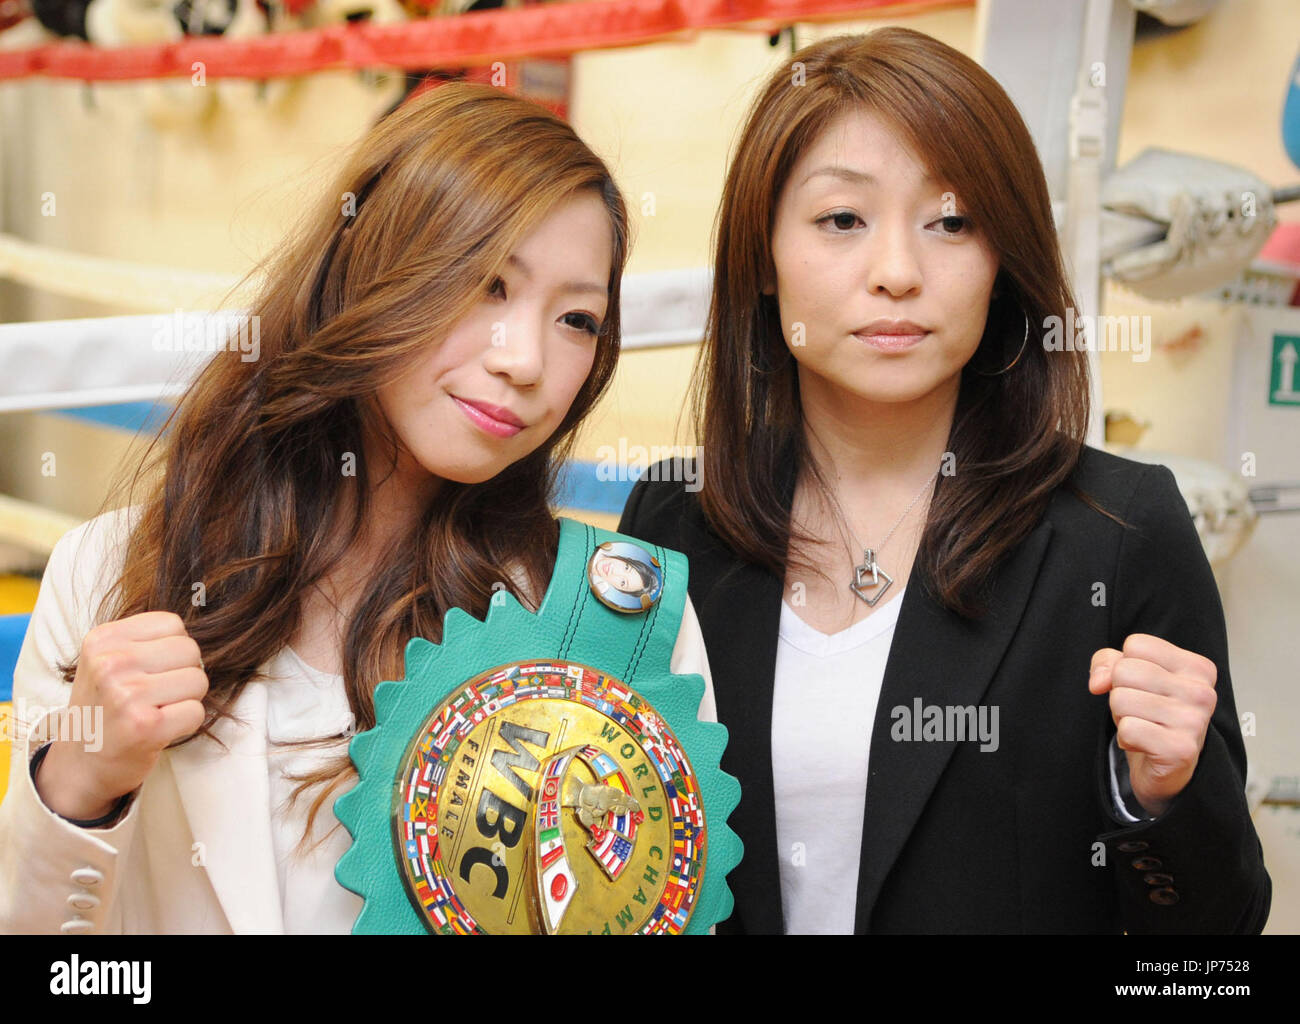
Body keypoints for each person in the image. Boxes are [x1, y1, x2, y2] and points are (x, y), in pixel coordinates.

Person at [0, 82, 718, 934]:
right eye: (489, 284)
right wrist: (75, 784)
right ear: (369, 270)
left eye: (576, 319)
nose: (525, 360)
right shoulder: (109, 575)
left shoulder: (612, 630)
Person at [619, 27, 1270, 934]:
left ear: (1003, 262)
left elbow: (1212, 949)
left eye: (952, 222)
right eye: (842, 220)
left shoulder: (1118, 531)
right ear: (763, 259)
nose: (897, 273)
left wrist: (1165, 796)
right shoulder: (674, 522)